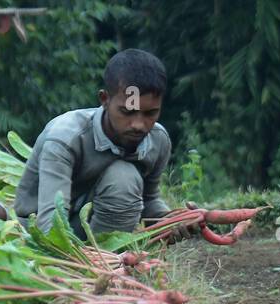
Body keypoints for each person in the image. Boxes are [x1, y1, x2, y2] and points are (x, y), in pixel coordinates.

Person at [12, 48, 199, 240]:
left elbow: (148, 200)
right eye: (127, 112)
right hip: (40, 230)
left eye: (150, 113)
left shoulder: (158, 140)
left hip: (98, 229)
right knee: (123, 179)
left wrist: (173, 220)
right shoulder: (65, 138)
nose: (138, 125)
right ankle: (100, 261)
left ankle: (108, 255)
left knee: (123, 178)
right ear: (104, 100)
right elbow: (51, 223)